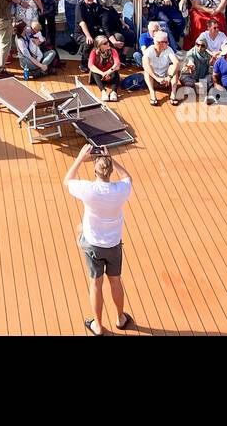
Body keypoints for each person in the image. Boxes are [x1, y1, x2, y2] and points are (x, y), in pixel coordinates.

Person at [63, 143, 133, 337]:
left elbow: (67, 181)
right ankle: (120, 318)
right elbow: (128, 177)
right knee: (115, 281)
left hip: (94, 244)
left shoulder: (89, 190)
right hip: (113, 244)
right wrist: (111, 159)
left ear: (95, 170)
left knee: (96, 284)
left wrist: (79, 158)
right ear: (110, 171)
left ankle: (99, 326)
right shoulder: (121, 190)